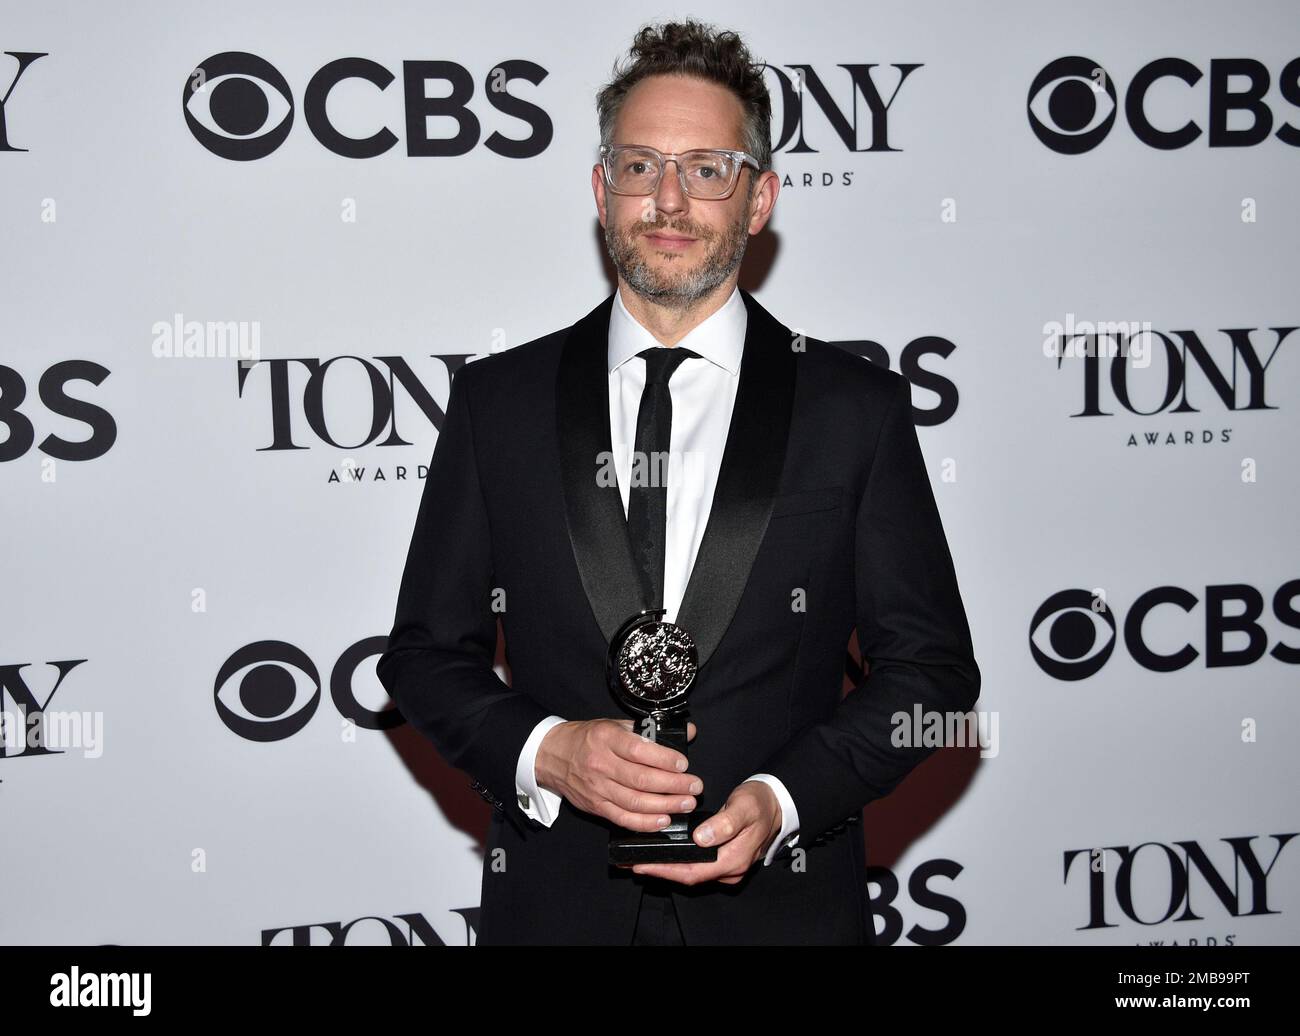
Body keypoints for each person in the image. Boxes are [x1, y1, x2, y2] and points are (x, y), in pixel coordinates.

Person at [376, 18, 980, 945]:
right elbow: (421, 656)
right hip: (555, 914)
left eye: (706, 169)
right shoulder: (496, 403)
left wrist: (786, 801)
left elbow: (932, 676)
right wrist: (547, 752)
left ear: (760, 197)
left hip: (783, 919)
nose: (667, 200)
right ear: (599, 189)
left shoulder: (854, 410)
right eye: (638, 166)